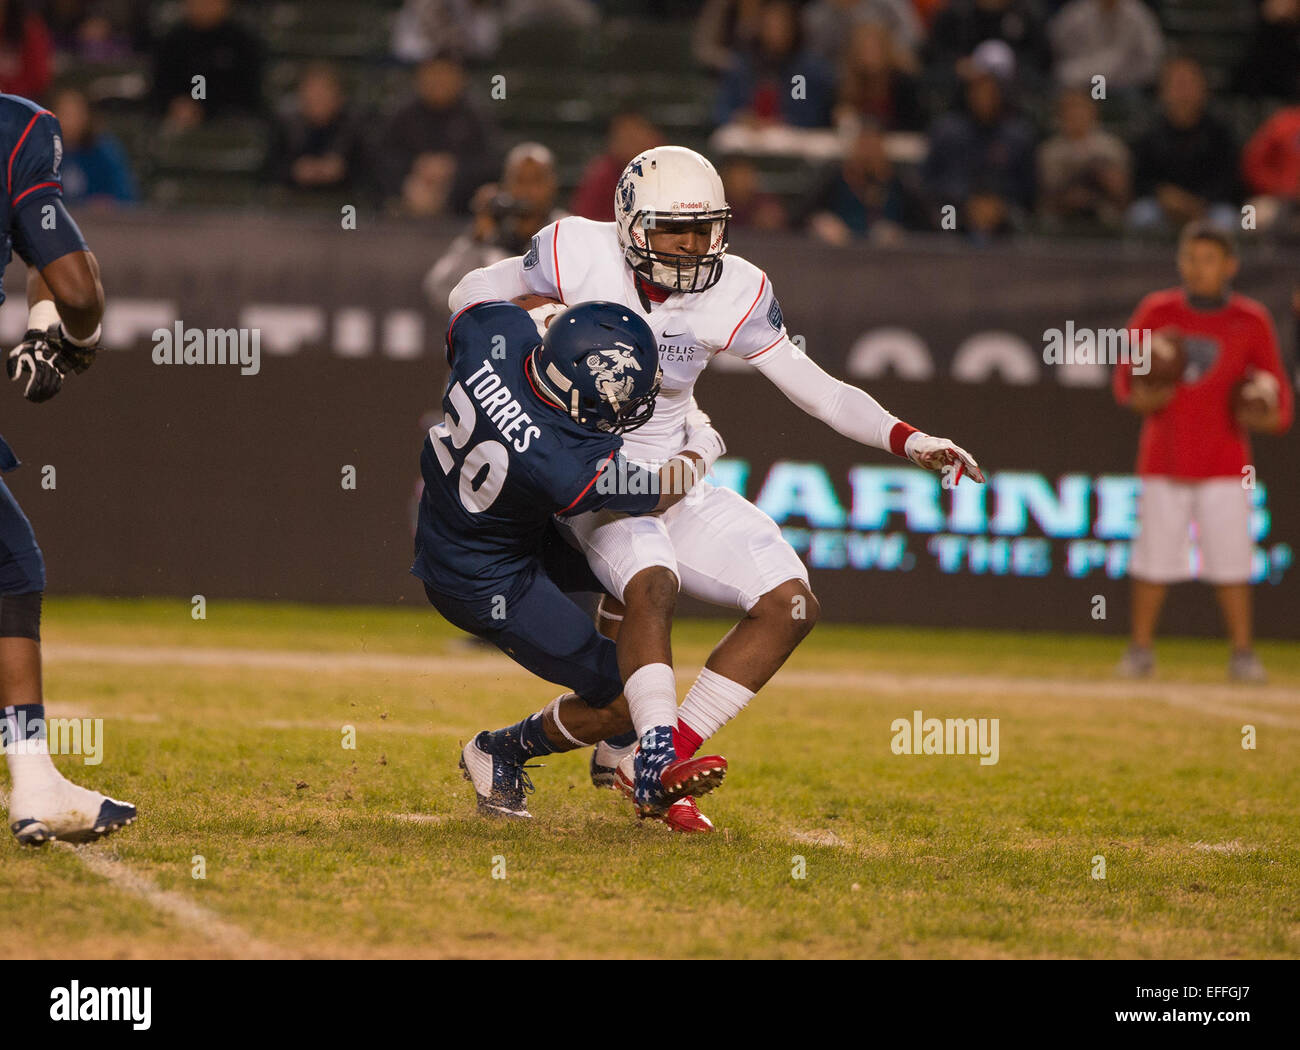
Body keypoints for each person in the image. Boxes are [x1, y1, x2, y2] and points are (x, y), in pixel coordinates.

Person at [449, 146, 984, 831]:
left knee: (790, 603)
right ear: (629, 224)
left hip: (675, 475)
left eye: (704, 230)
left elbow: (819, 392)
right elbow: (468, 295)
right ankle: (649, 756)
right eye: (675, 229)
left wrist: (908, 437)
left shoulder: (737, 287)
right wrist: (526, 353)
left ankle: (656, 761)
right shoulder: (572, 250)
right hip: (595, 478)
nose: (693, 246)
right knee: (652, 582)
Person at [415, 298, 729, 819]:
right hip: (483, 578)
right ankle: (500, 751)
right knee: (625, 698)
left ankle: (616, 743)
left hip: (488, 525)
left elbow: (479, 305)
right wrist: (704, 445)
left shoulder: (497, 332)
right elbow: (663, 488)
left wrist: (545, 315)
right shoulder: (564, 464)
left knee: (635, 578)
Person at [1, 91, 137, 843]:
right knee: (12, 569)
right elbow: (76, 285)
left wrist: (39, 316)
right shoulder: (17, 130)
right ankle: (33, 778)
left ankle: (34, 778)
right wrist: (68, 334)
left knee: (10, 565)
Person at [1113, 223, 1293, 682]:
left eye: (1208, 259)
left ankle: (1242, 654)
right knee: (1153, 559)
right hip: (1164, 457)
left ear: (1230, 265)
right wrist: (1147, 392)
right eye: (1190, 258)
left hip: (1227, 463)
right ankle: (1140, 650)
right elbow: (1125, 384)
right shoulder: (1158, 311)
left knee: (1232, 562)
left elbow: (1279, 400)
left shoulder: (1250, 319)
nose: (1197, 268)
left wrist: (1262, 410)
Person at [424, 142, 563, 312]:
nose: (528, 190)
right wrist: (476, 239)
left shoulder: (565, 232)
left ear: (552, 184)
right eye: (520, 180)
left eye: (536, 180)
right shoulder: (489, 234)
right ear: (506, 185)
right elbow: (440, 288)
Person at [1126, 58, 1239, 235]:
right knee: (1141, 215)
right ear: (1163, 91)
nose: (1183, 92)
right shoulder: (1147, 131)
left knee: (1227, 219)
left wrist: (1199, 202)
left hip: (1209, 206)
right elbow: (1139, 180)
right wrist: (1164, 195)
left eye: (1189, 83)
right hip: (1161, 205)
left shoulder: (1220, 130)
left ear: (1204, 89)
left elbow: (1230, 179)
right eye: (1177, 84)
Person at [379, 55, 500, 217]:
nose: (438, 81)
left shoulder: (476, 115)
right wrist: (414, 168)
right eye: (432, 74)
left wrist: (451, 168)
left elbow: (490, 163)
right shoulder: (402, 113)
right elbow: (383, 157)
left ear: (460, 79)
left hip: (461, 202)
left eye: (445, 74)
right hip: (410, 193)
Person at [151, 0, 264, 132]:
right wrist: (176, 104)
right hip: (180, 121)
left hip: (232, 120)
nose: (204, 5)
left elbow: (249, 92)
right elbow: (161, 86)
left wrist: (206, 107)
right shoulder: (172, 41)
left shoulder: (243, 41)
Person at [272, 63, 369, 196]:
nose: (317, 99)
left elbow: (369, 172)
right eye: (312, 95)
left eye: (324, 94)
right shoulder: (286, 124)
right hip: (293, 202)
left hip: (345, 201)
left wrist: (342, 169)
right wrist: (294, 170)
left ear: (339, 97)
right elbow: (270, 170)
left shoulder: (355, 125)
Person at [50, 86, 138, 207]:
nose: (69, 121)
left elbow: (126, 196)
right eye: (64, 113)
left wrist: (106, 204)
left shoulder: (105, 151)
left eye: (75, 114)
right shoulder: (41, 153)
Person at [568, 110, 662, 222]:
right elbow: (584, 223)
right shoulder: (600, 177)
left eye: (635, 135)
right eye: (623, 136)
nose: (630, 144)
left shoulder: (670, 168)